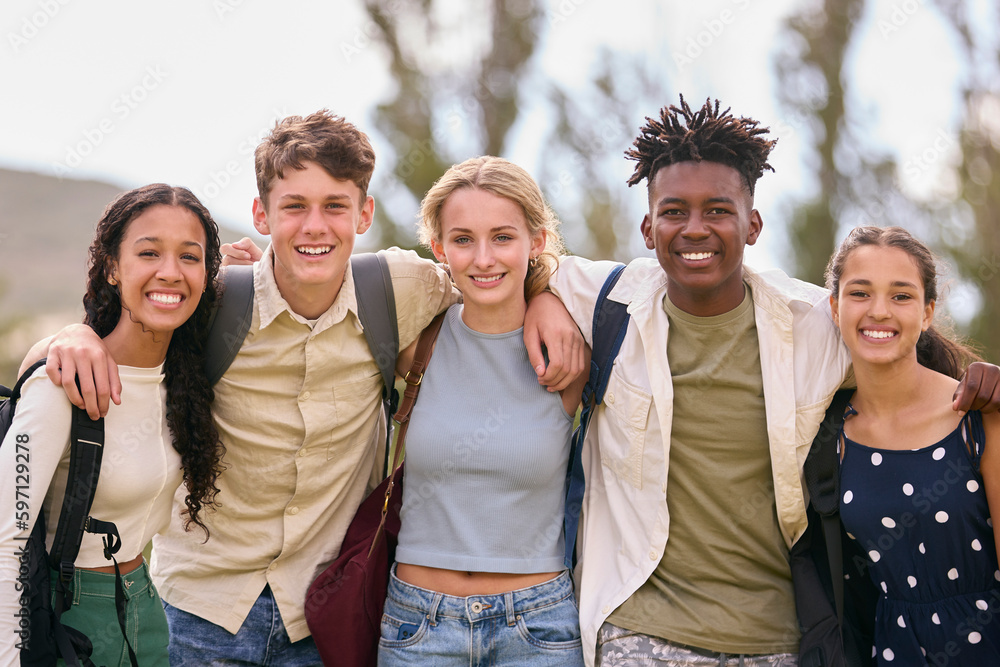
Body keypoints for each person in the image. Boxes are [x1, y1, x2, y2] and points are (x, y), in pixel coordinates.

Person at [22, 111, 584, 665]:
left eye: (335, 206)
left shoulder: (398, 290)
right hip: (198, 614)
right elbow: (130, 319)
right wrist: (70, 336)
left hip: (319, 621)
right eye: (294, 206)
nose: (315, 226)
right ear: (261, 215)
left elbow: (487, 273)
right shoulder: (213, 300)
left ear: (364, 213)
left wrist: (547, 298)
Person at [545, 96, 1000, 666]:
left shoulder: (812, 321)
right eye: (673, 211)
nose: (694, 229)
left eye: (717, 210)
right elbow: (508, 263)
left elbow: (889, 337)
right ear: (646, 226)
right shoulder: (605, 303)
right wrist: (545, 302)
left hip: (779, 641)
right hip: (639, 631)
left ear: (753, 224)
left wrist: (982, 379)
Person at [0, 184, 225, 665]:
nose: (170, 272)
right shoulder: (64, 380)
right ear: (112, 267)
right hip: (69, 619)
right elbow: (5, 540)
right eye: (148, 252)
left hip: (149, 614)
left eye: (190, 256)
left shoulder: (186, 381)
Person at [378, 156, 587, 666]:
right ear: (439, 248)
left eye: (503, 237)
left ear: (536, 241)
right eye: (463, 239)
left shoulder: (569, 356)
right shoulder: (415, 347)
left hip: (538, 628)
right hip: (417, 626)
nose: (483, 258)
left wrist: (550, 296)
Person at [827, 226, 1000, 665]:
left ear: (927, 313)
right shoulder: (831, 438)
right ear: (834, 308)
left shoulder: (979, 414)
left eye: (901, 296)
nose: (879, 311)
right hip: (893, 652)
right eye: (860, 293)